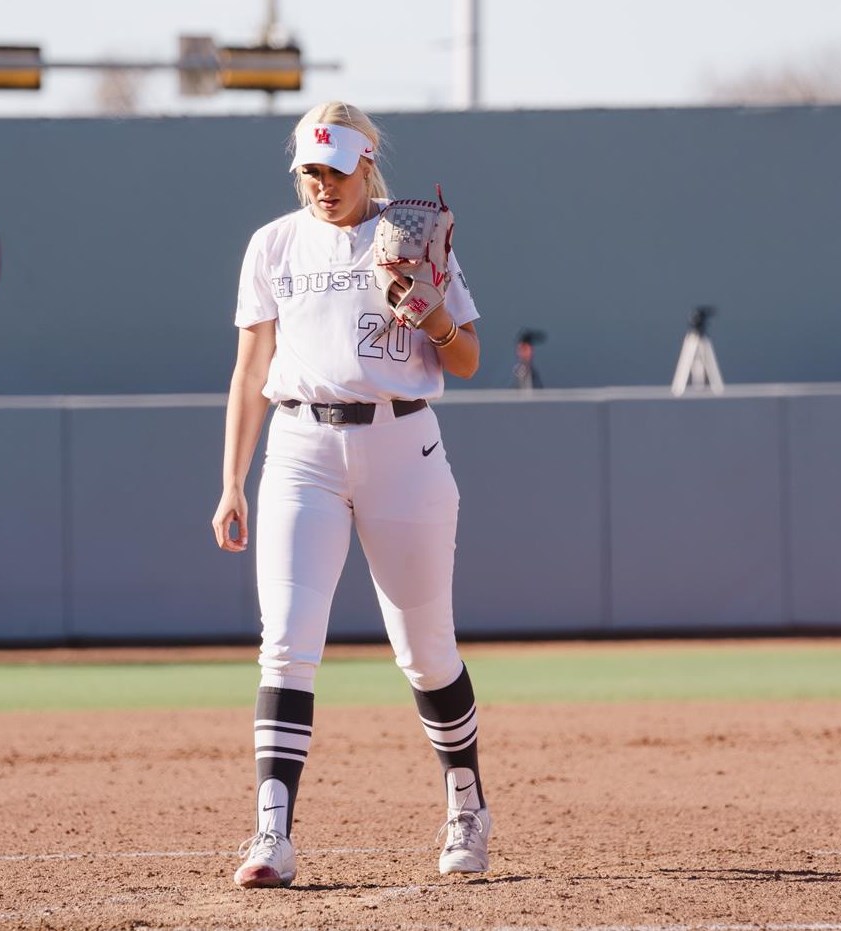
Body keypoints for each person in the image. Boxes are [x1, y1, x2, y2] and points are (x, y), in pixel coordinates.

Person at [210, 100, 491, 889]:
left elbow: (467, 359)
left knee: (425, 651)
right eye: (310, 171)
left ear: (366, 165)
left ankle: (466, 804)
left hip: (403, 446)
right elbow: (250, 369)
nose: (322, 186)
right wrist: (232, 480)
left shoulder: (407, 235)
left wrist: (435, 318)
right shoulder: (274, 243)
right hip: (301, 449)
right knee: (286, 644)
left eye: (335, 171)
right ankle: (272, 832)